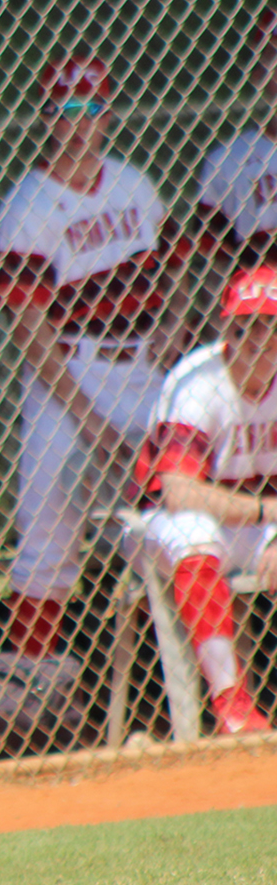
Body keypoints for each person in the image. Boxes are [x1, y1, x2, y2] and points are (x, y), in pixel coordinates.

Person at [0, 55, 191, 659]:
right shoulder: (27, 204)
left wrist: (174, 324)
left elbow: (177, 266)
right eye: (66, 109)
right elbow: (28, 327)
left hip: (144, 368)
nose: (79, 122)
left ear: (108, 115)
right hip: (71, 370)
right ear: (47, 115)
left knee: (171, 520)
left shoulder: (134, 184)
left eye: (92, 108)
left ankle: (166, 669)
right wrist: (89, 418)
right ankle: (32, 674)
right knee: (49, 536)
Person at [132, 265, 277, 734]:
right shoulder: (197, 381)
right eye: (245, 326)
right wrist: (264, 513)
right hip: (165, 523)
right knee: (196, 535)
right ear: (226, 330)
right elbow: (179, 491)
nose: (258, 339)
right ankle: (232, 704)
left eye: (270, 324)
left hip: (262, 523)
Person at [191, 9, 277, 322]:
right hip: (263, 320)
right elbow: (215, 263)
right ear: (259, 72)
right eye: (274, 58)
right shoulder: (228, 160)